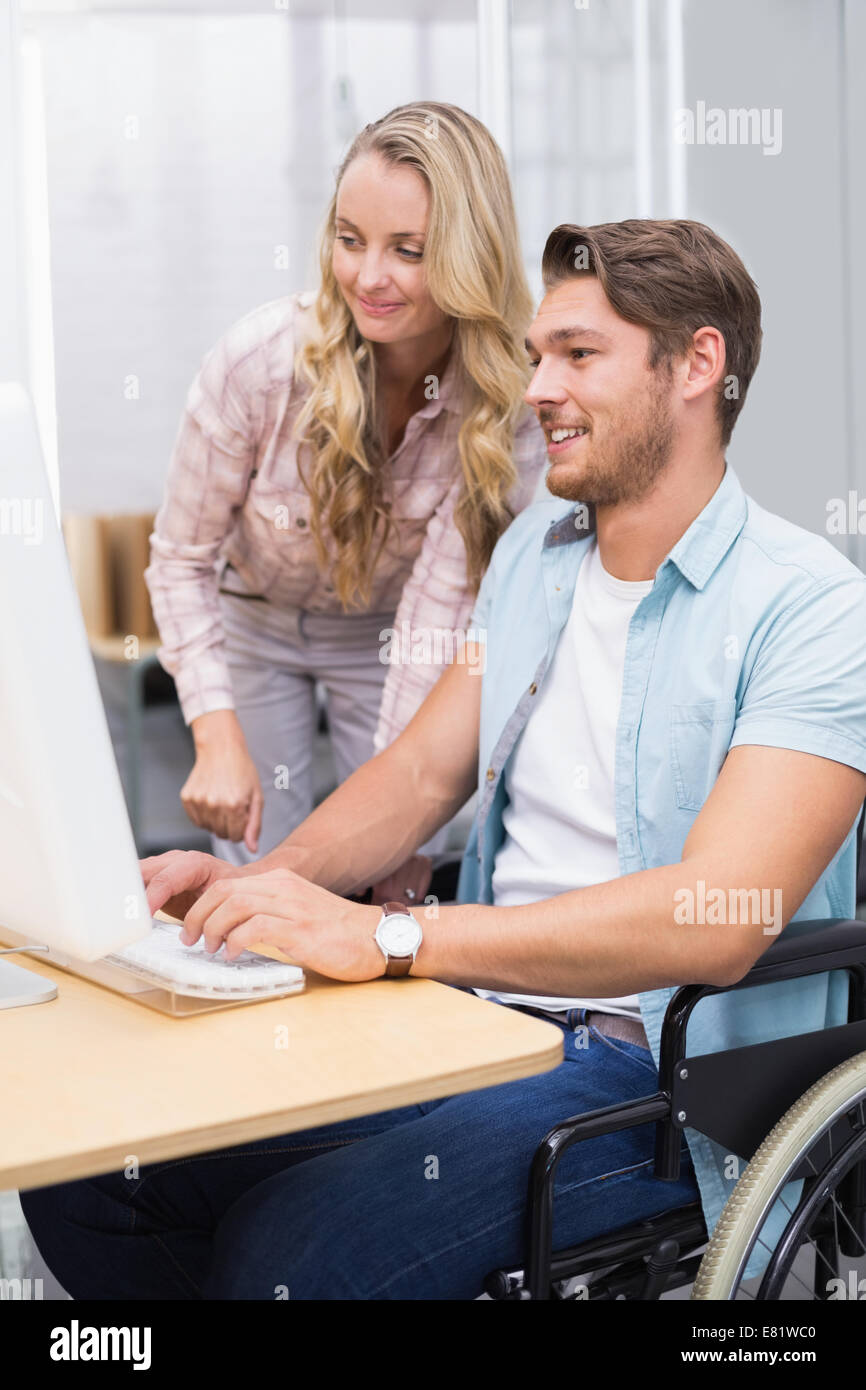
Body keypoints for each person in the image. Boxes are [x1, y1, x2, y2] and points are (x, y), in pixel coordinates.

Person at [23, 219, 866, 1300]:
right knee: (103, 1174)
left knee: (292, 1256)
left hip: (650, 1076)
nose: (536, 390)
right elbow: (422, 774)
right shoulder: (538, 555)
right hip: (468, 1014)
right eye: (532, 356)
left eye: (577, 354)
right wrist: (263, 886)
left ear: (695, 364)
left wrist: (391, 935)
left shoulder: (812, 610)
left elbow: (719, 910)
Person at [143, 101, 548, 904]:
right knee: (260, 869)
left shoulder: (506, 405)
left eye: (409, 251)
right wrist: (215, 732)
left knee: (380, 872)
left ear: (470, 255)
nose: (368, 276)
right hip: (251, 621)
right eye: (349, 239)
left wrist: (406, 831)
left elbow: (438, 617)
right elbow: (181, 559)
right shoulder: (260, 364)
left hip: (386, 635)